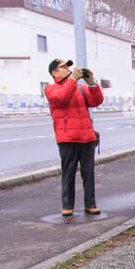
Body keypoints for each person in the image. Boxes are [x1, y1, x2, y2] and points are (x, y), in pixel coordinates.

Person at [46, 57, 103, 216]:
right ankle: (67, 206)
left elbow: (96, 100)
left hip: (86, 137)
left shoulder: (79, 88)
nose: (67, 69)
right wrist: (73, 80)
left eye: (67, 67)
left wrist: (92, 84)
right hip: (67, 138)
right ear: (54, 72)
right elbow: (61, 98)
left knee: (89, 173)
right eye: (63, 67)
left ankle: (90, 204)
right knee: (68, 173)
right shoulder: (51, 89)